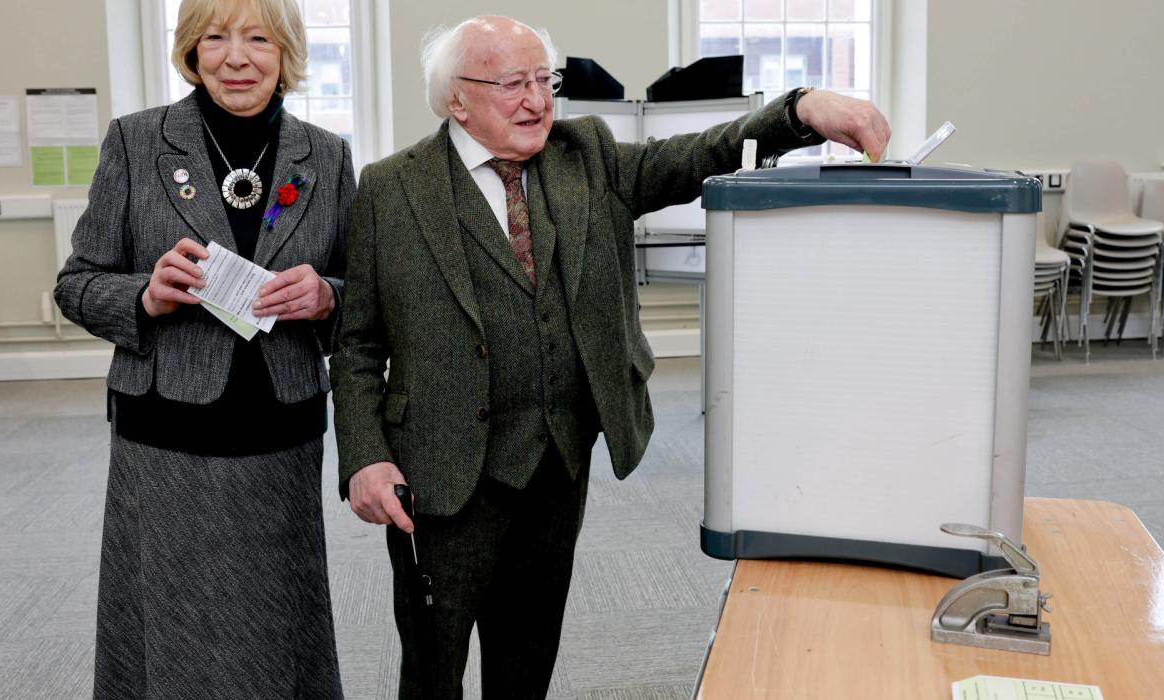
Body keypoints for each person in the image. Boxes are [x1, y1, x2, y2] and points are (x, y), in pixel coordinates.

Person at [331, 14, 890, 699]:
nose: (538, 100)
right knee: (432, 665)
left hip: (556, 464)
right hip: (441, 476)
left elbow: (697, 152)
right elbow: (358, 341)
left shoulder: (588, 153)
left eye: (545, 79)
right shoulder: (391, 188)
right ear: (457, 99)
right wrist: (364, 454)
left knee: (528, 652)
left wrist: (798, 113)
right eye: (513, 83)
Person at [54, 0, 354, 696]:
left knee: (278, 616)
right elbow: (76, 285)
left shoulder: (327, 156)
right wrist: (144, 296)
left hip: (280, 431)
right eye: (215, 38)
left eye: (257, 38)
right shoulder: (136, 142)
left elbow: (362, 300)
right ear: (190, 50)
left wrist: (328, 296)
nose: (236, 56)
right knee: (172, 619)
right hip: (165, 435)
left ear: (286, 52)